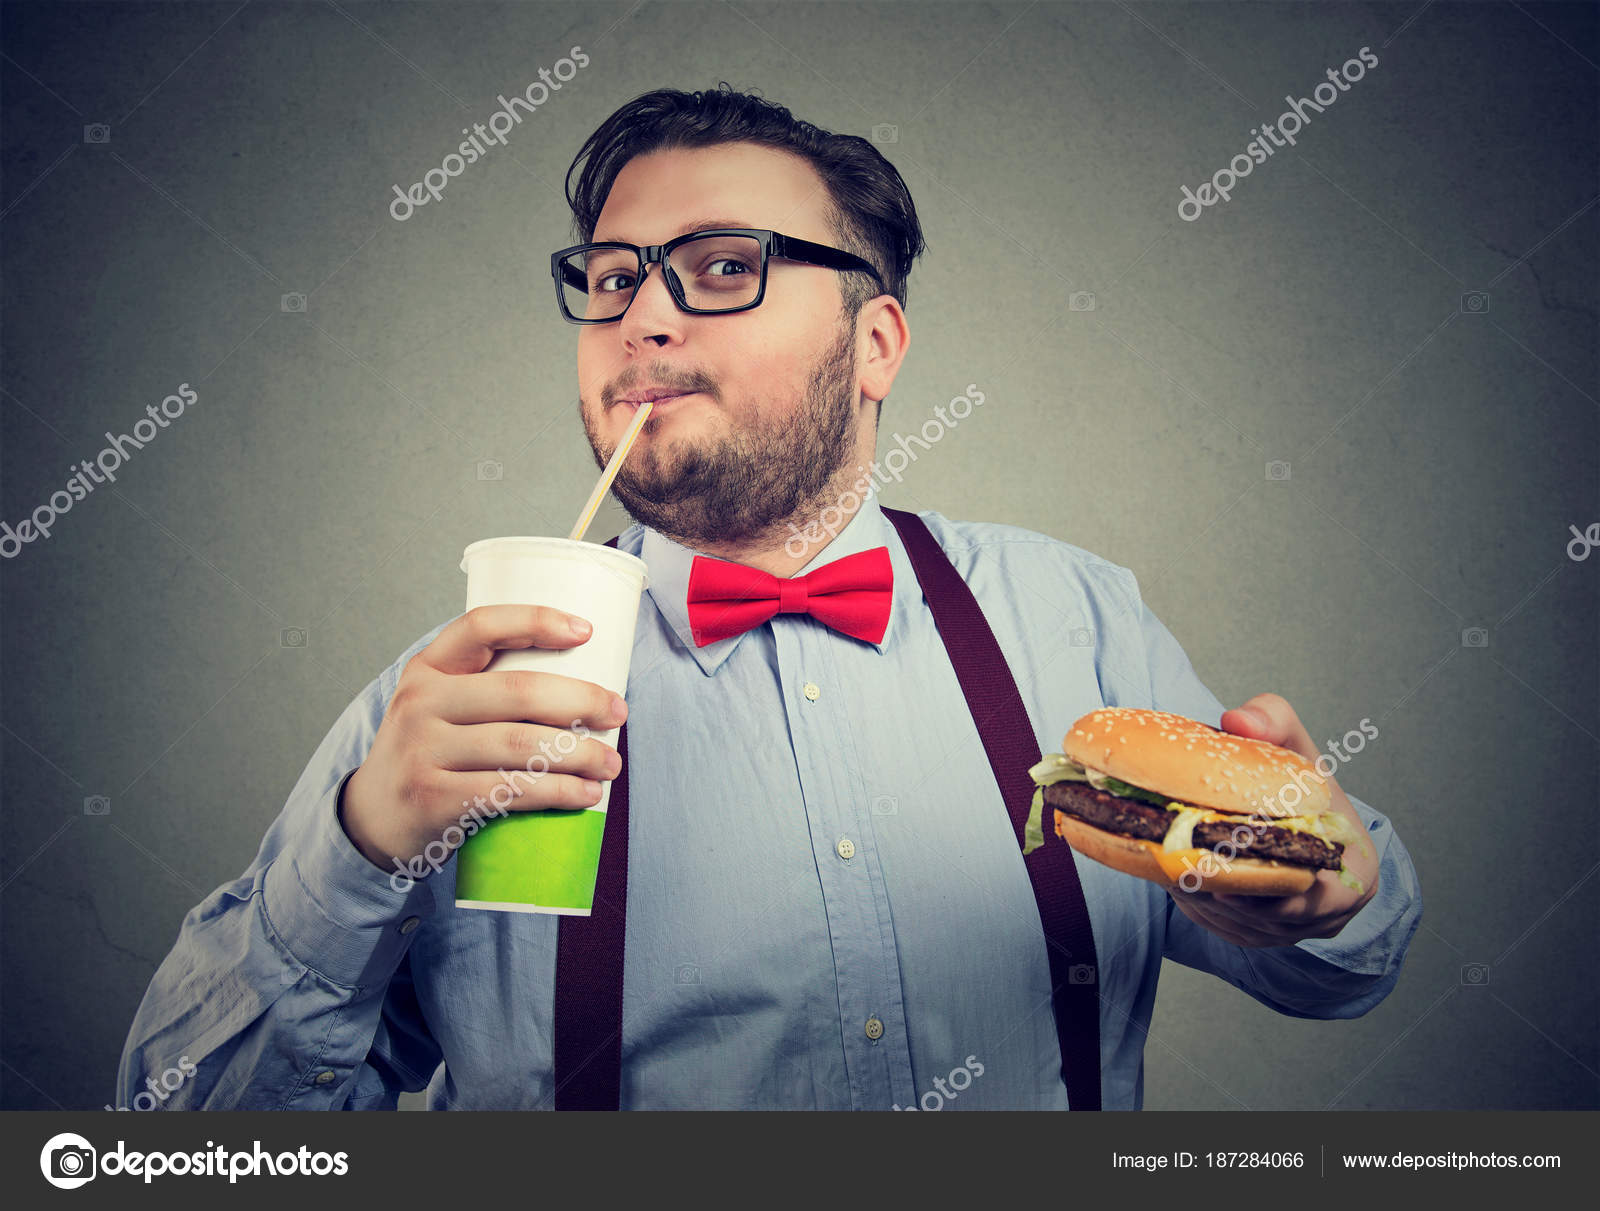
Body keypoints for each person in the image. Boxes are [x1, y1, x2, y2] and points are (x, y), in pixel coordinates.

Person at [118, 85, 1421, 1110]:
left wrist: (1322, 885)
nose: (644, 321)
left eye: (722, 266)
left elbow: (1337, 971)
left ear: (876, 345)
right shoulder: (460, 702)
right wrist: (353, 850)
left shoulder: (1071, 622)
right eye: (616, 276)